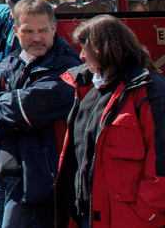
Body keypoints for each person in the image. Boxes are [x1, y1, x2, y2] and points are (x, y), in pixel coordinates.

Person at [0, 0, 80, 228]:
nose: (36, 38)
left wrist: (4, 108)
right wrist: (16, 115)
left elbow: (26, 110)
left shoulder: (68, 65)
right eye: (28, 31)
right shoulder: (11, 62)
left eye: (43, 30)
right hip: (1, 167)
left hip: (38, 176)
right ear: (15, 31)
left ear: (54, 28)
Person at [57, 15, 165, 228]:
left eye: (85, 49)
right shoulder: (89, 87)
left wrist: (145, 215)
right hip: (87, 215)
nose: (81, 56)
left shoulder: (151, 90)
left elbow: (161, 162)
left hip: (128, 219)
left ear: (103, 49)